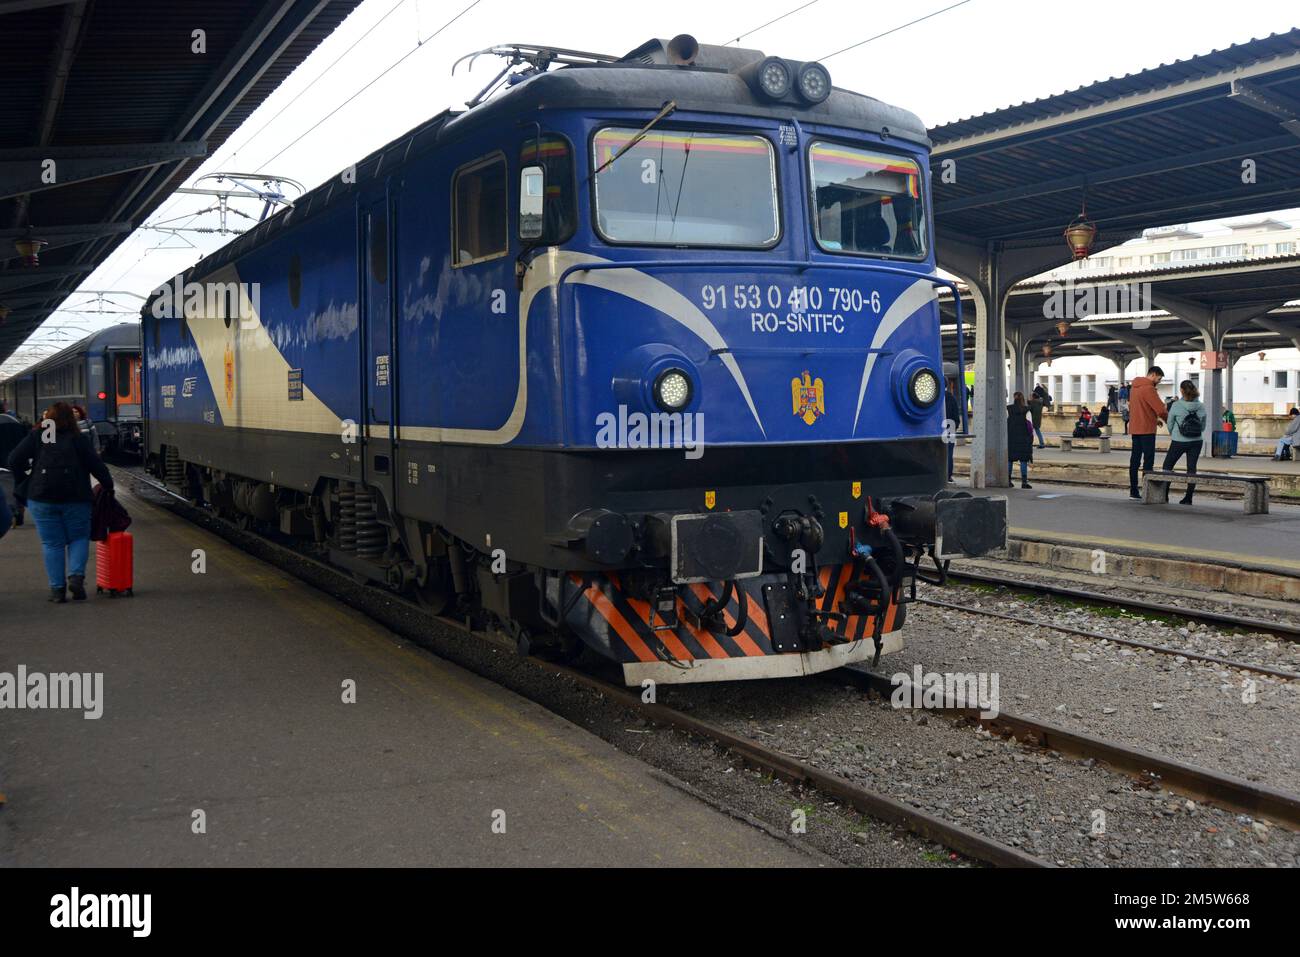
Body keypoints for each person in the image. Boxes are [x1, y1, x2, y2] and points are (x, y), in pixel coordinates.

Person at [7, 402, 114, 602]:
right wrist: (108, 486)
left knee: (52, 543)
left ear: (49, 418)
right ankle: (76, 577)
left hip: (41, 497)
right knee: (78, 538)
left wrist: (25, 480)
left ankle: (57, 590)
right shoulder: (78, 439)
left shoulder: (38, 436)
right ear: (71, 419)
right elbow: (96, 465)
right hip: (76, 497)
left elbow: (13, 459)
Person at [1162, 380, 1207, 505]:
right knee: (1191, 469)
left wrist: (1174, 433)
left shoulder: (1176, 405)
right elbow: (1203, 426)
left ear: (1182, 390)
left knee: (1167, 467)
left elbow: (1170, 423)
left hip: (1178, 441)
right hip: (1196, 441)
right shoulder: (1201, 406)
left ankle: (1164, 495)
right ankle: (1188, 498)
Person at [1127, 366, 1168, 500]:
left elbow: (1141, 408)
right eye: (1159, 378)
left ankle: (1133, 491)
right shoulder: (1149, 388)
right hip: (1147, 430)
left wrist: (1154, 419)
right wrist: (1168, 420)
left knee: (1134, 460)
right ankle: (1146, 490)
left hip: (1135, 427)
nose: (1159, 381)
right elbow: (1160, 409)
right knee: (1148, 460)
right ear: (1154, 374)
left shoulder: (1134, 388)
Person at [0, 402, 26, 528]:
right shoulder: (15, 421)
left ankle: (11, 512)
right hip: (17, 460)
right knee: (17, 486)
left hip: (2, 461)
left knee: (6, 488)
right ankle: (19, 513)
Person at [1006, 391, 1033, 490]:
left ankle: (1008, 481)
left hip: (1011, 438)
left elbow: (1005, 423)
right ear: (1023, 399)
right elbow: (1030, 426)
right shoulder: (1027, 410)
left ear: (1014, 398)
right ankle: (1024, 482)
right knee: (1023, 460)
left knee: (1009, 460)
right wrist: (1030, 437)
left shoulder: (1008, 409)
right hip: (1024, 439)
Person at [944, 376, 961, 482]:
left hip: (937, 427)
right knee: (949, 452)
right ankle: (948, 475)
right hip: (950, 426)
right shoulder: (951, 398)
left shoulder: (934, 398)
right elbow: (956, 415)